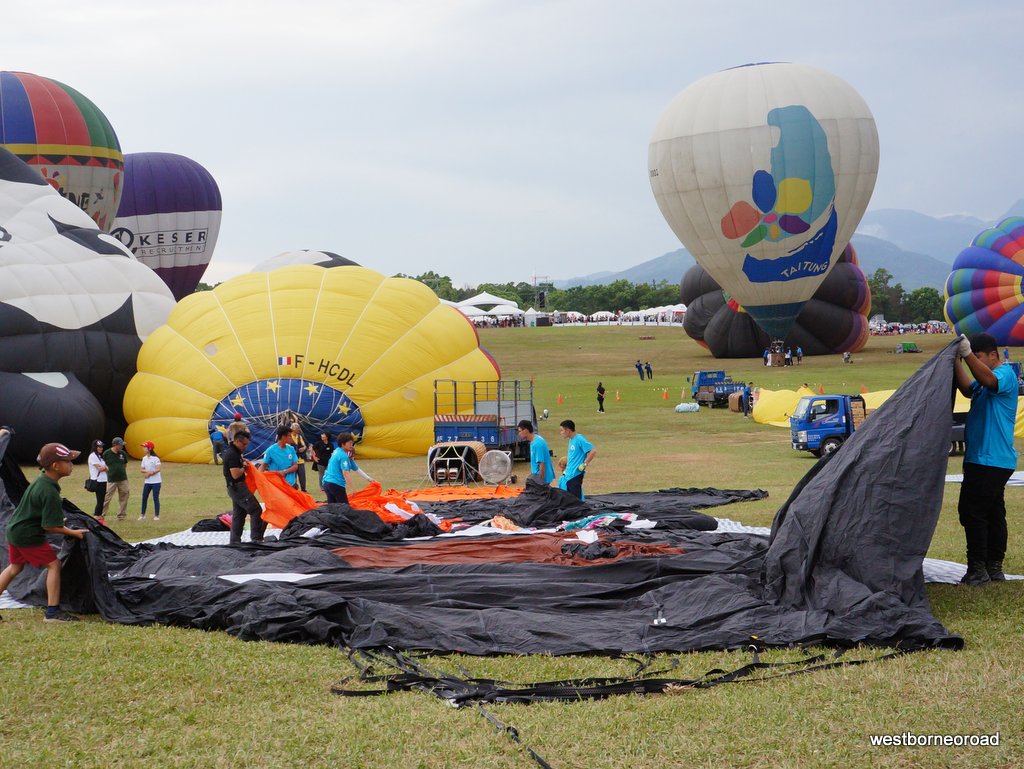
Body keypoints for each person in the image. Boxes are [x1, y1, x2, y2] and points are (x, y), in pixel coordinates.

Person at [954, 333, 1019, 586]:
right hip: (986, 459)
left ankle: (977, 569)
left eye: (978, 358)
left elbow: (988, 379)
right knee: (992, 513)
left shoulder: (1004, 375)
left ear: (993, 355)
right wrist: (955, 361)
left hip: (989, 459)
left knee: (972, 512)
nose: (975, 362)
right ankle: (994, 569)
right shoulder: (983, 381)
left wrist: (967, 352)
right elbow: (967, 388)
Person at [0, 442, 87, 622]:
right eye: (68, 461)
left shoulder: (42, 480)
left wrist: (56, 521)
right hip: (27, 535)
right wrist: (73, 533)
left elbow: (36, 511)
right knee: (54, 565)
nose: (71, 465)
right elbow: (49, 527)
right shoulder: (49, 491)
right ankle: (52, 612)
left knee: (15, 567)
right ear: (56, 466)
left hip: (15, 530)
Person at [220, 429, 265, 545]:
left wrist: (242, 463)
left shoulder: (235, 452)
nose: (245, 447)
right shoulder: (232, 454)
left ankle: (234, 542)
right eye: (244, 444)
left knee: (239, 515)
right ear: (237, 441)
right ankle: (256, 539)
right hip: (237, 488)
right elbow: (235, 474)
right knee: (256, 510)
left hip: (235, 488)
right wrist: (244, 466)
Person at [322, 432, 374, 505]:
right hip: (335, 484)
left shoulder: (336, 451)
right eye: (349, 443)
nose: (351, 445)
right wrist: (352, 488)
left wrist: (369, 479)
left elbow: (356, 468)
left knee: (332, 509)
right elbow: (345, 473)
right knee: (345, 509)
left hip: (327, 483)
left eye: (352, 443)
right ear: (343, 444)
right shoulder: (343, 456)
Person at [558, 419, 596, 500]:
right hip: (569, 474)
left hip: (575, 474)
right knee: (570, 499)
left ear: (568, 430)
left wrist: (584, 464)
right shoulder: (571, 440)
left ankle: (579, 512)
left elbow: (592, 451)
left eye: (562, 430)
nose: (561, 433)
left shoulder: (579, 439)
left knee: (576, 499)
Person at [517, 420, 555, 485]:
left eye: (520, 431)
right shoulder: (535, 440)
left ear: (526, 430)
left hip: (542, 479)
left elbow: (542, 464)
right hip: (538, 478)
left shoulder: (537, 444)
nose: (519, 434)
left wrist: (540, 483)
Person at [101, 437, 130, 521]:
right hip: (111, 480)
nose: (122, 447)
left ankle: (121, 516)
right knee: (107, 498)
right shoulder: (106, 453)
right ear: (115, 445)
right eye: (120, 445)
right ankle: (101, 515)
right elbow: (103, 464)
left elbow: (125, 465)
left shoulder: (122, 453)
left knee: (124, 496)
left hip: (123, 479)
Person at [139, 441, 162, 521]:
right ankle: (142, 514)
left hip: (156, 482)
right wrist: (147, 472)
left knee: (155, 498)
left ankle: (156, 515)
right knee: (144, 497)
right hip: (147, 482)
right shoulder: (144, 458)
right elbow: (142, 469)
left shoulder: (156, 458)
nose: (144, 449)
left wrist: (151, 473)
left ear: (150, 448)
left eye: (145, 447)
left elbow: (158, 469)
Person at [87, 439, 108, 521]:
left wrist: (104, 468)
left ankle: (99, 515)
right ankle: (97, 515)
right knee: (100, 499)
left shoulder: (100, 456)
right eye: (99, 447)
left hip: (103, 480)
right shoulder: (93, 456)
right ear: (95, 447)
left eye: (101, 447)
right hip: (98, 480)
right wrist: (104, 468)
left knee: (102, 499)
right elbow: (100, 468)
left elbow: (106, 468)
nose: (101, 448)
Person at [290, 422, 310, 492]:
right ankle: (293, 490)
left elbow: (304, 445)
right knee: (293, 476)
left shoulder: (299, 436)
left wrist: (303, 448)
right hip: (292, 460)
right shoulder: (289, 436)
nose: (298, 430)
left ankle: (303, 490)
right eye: (297, 429)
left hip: (300, 459)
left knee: (302, 476)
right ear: (293, 429)